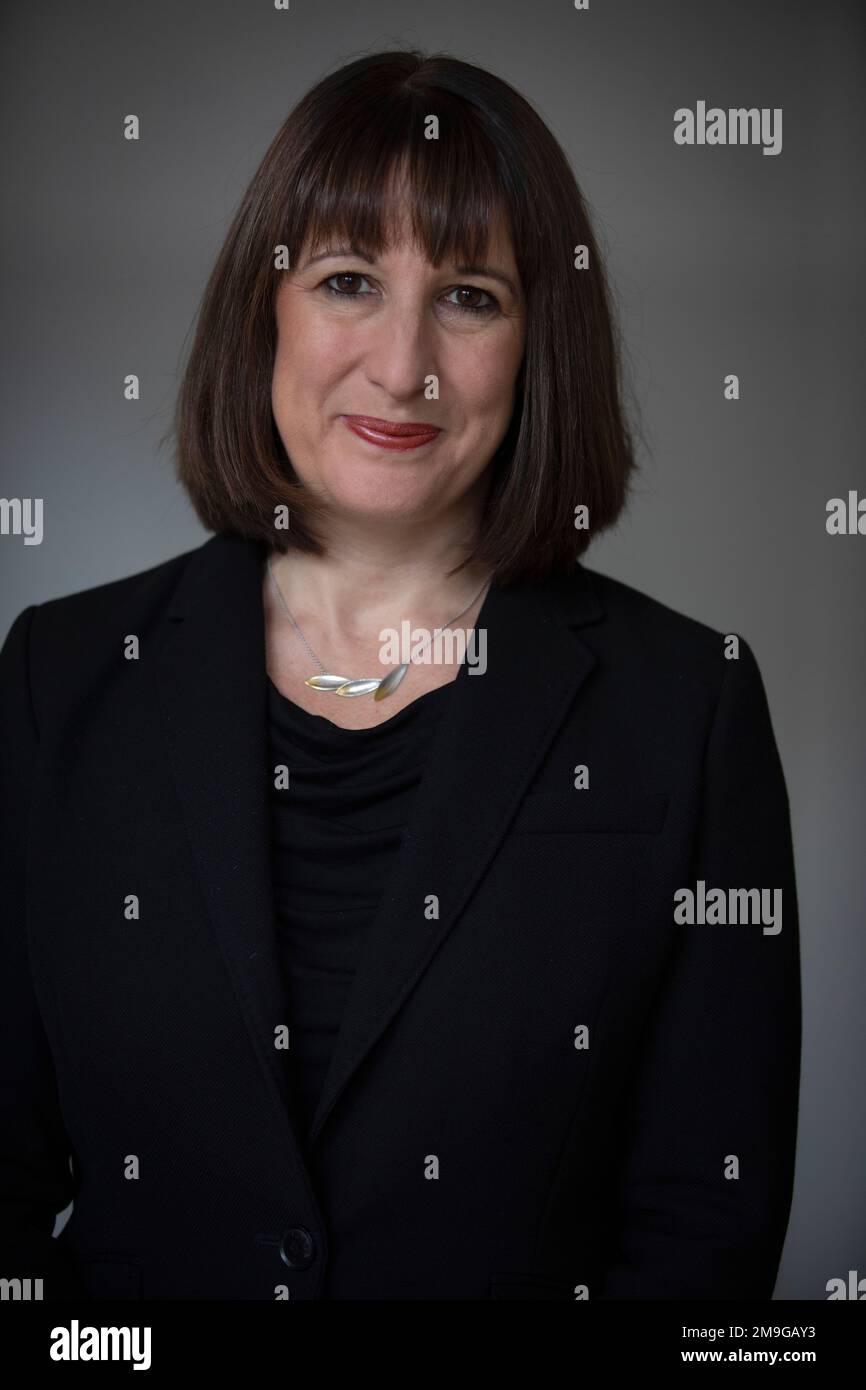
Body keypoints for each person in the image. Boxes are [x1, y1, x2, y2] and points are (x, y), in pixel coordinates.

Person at [0, 49, 800, 1301]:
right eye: (347, 280)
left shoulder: (683, 706)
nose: (401, 362)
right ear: (262, 312)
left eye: (470, 296)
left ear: (542, 340)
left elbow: (706, 1236)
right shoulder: (61, 679)